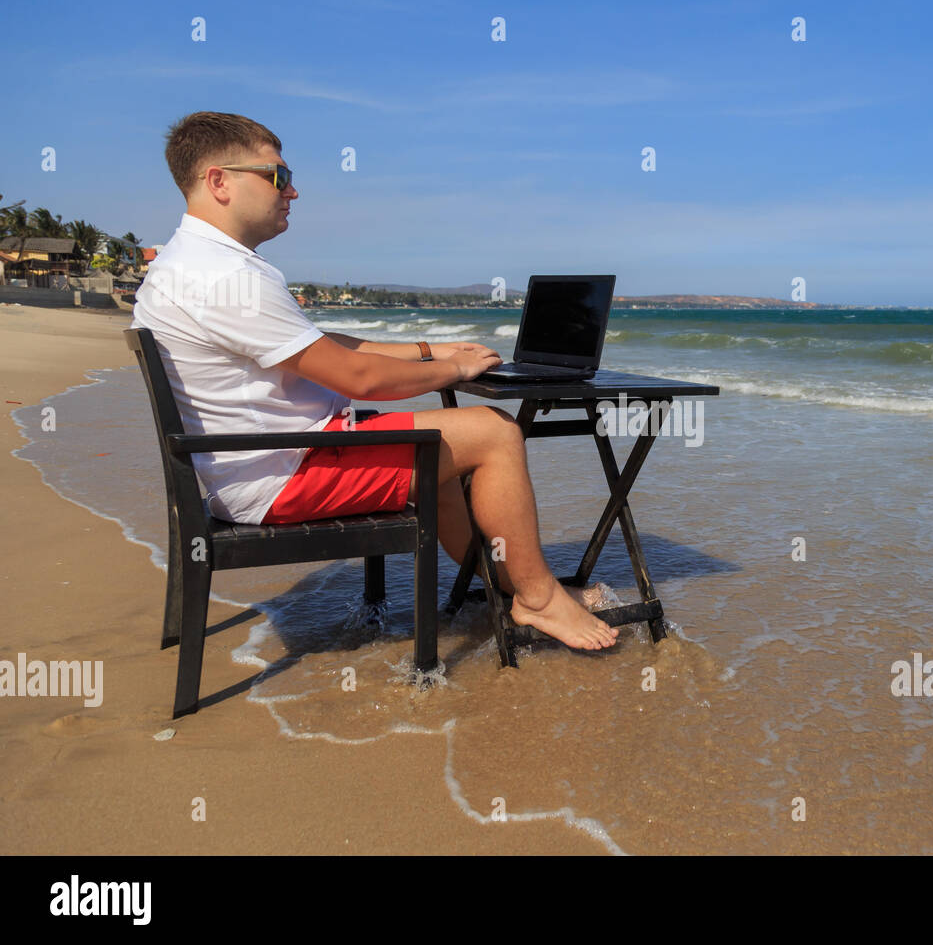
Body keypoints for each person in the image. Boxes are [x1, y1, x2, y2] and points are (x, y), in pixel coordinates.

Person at [131, 111, 617, 652]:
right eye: (278, 176)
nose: (293, 191)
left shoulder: (187, 263)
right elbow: (359, 378)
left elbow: (327, 344)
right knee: (494, 431)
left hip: (260, 461)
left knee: (448, 453)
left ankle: (518, 586)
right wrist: (452, 371)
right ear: (218, 181)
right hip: (285, 473)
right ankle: (540, 600)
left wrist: (430, 350)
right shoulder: (225, 277)